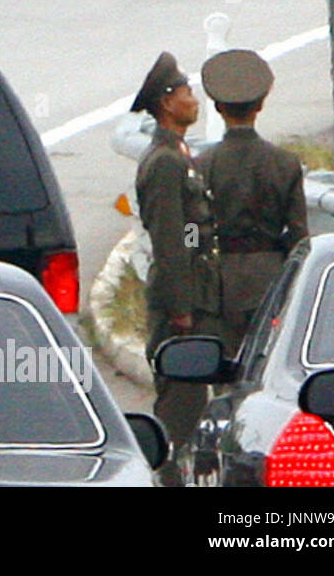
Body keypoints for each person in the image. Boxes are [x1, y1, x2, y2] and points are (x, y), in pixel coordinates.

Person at [131, 51, 221, 486]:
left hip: (193, 291)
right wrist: (181, 307)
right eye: (186, 92)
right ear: (167, 102)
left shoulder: (178, 154)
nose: (193, 99)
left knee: (195, 407)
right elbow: (171, 240)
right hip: (178, 304)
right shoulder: (165, 162)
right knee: (180, 412)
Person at [196, 49, 307, 357]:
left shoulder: (202, 165)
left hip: (221, 281)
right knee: (268, 361)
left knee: (226, 366)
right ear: (261, 104)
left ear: (218, 108)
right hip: (271, 276)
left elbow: (192, 231)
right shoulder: (284, 163)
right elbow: (299, 234)